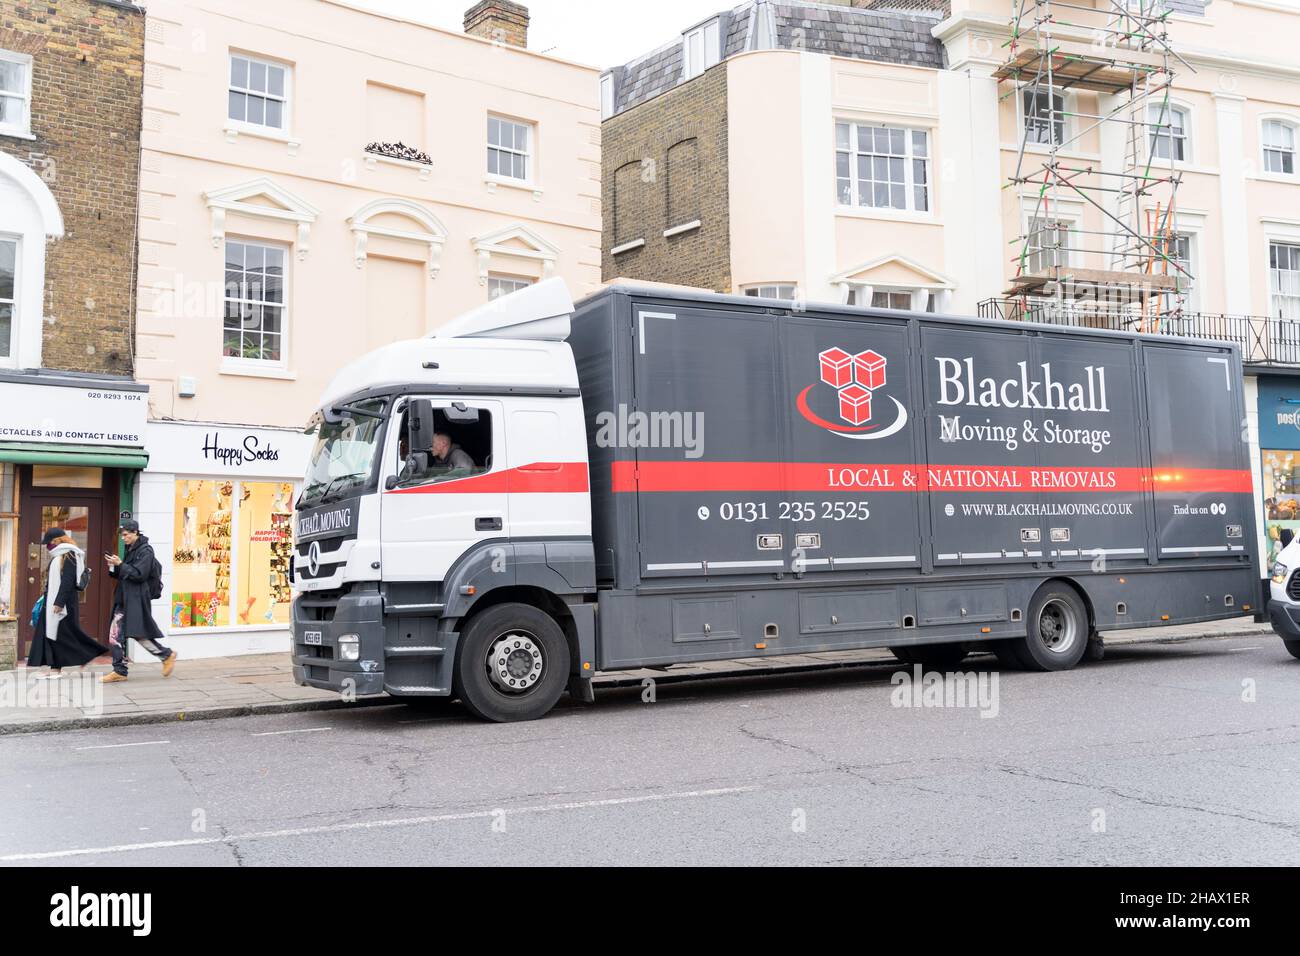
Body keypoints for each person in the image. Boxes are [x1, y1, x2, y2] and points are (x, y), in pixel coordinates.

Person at [26, 528, 110, 679]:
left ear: (58, 540)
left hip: (64, 602)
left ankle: (84, 656)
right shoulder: (59, 554)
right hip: (54, 600)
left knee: (64, 634)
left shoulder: (70, 554)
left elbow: (68, 581)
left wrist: (59, 602)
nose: (48, 546)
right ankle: (57, 668)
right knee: (57, 634)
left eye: (50, 543)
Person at [102, 519, 176, 683]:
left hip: (135, 598)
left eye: (126, 534)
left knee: (129, 633)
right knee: (121, 634)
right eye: (122, 535)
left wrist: (121, 563)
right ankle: (122, 669)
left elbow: (139, 574)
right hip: (125, 597)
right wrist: (113, 566)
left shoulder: (146, 551)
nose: (123, 538)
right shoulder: (131, 548)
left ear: (135, 532)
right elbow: (124, 573)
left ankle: (165, 655)